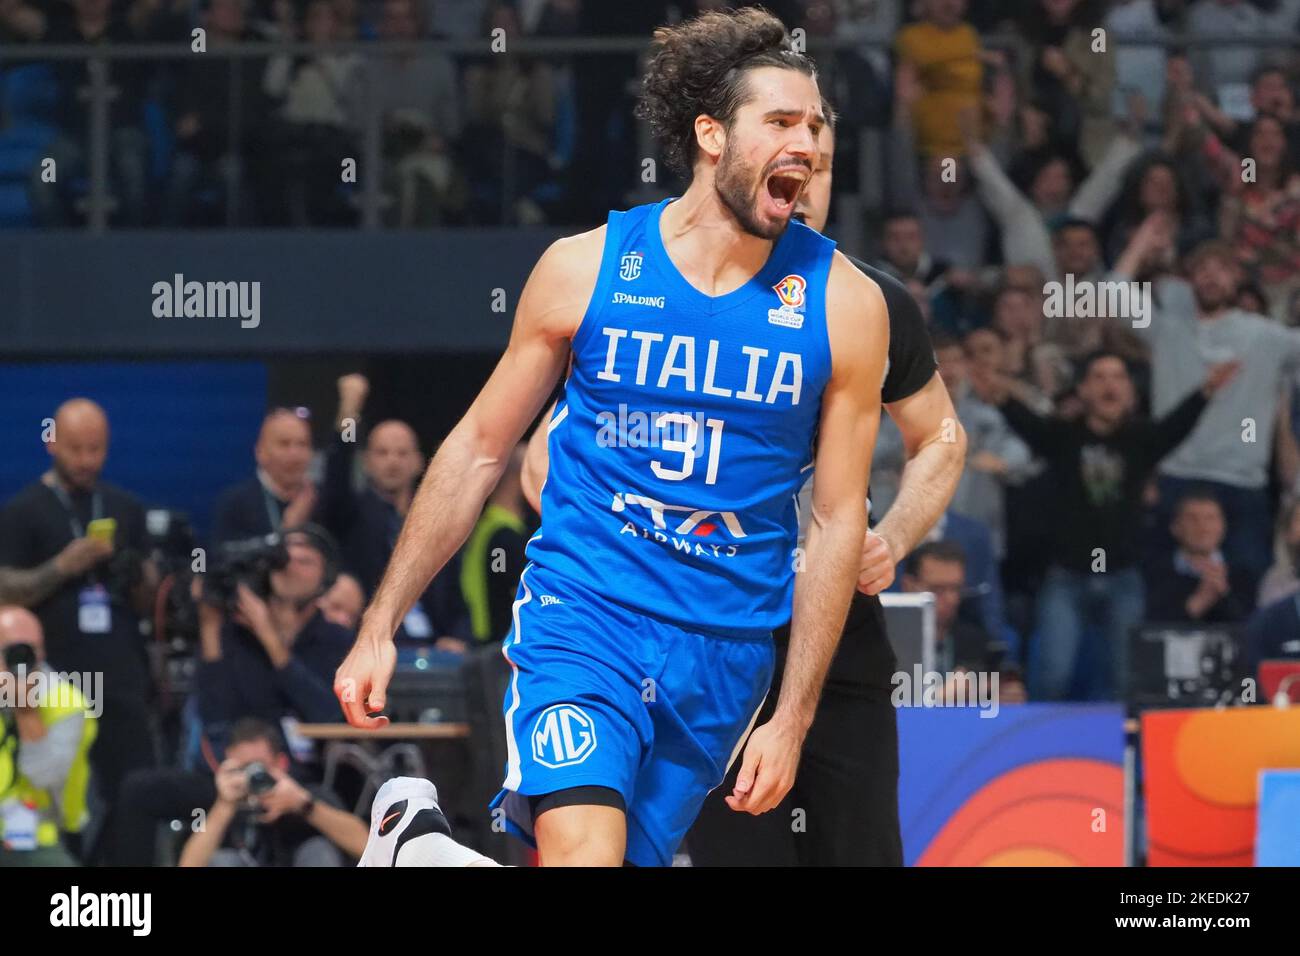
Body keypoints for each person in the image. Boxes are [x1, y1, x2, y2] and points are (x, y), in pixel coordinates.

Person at [335, 7, 890, 868]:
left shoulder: (846, 305)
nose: (808, 144)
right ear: (712, 135)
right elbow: (481, 446)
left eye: (816, 126)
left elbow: (834, 524)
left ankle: (423, 855)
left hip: (725, 650)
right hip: (586, 612)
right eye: (781, 121)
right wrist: (382, 623)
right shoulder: (585, 267)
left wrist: (793, 719)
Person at [538, 104, 965, 867]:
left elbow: (941, 436)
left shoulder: (862, 302)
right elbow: (546, 456)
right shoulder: (672, 291)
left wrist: (893, 536)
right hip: (713, 637)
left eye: (820, 166)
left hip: (837, 652)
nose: (800, 177)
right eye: (782, 151)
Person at [973, 351, 1235, 701]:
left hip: (1123, 577)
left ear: (1129, 390)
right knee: (1052, 674)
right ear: (1082, 390)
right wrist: (999, 394)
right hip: (1066, 576)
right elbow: (1026, 422)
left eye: (1118, 377)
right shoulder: (1062, 437)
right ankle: (1040, 750)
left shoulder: (1142, 439)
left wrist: (1206, 391)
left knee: (1126, 682)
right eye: (1099, 377)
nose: (1109, 385)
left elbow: (1178, 425)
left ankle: (1116, 754)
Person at [0, 398, 158, 859]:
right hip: (53, 680)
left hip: (121, 676)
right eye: (76, 449)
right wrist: (61, 567)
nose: (87, 461)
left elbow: (149, 601)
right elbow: (5, 588)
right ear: (51, 442)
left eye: (96, 449)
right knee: (57, 786)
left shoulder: (126, 507)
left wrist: (141, 577)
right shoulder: (23, 511)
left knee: (133, 787)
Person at [317, 374, 467, 645]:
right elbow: (336, 478)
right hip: (369, 643)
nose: (392, 462)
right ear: (366, 462)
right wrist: (349, 412)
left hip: (432, 650)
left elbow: (457, 598)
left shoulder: (436, 520)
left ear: (420, 462)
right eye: (382, 453)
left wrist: (458, 638)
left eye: (401, 453)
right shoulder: (353, 513)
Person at [178, 718, 366, 867]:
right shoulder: (217, 804)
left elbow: (366, 845)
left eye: (258, 767)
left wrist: (305, 806)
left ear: (281, 763)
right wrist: (224, 806)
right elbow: (188, 864)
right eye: (242, 768)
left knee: (317, 850)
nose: (251, 776)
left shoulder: (308, 794)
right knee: (223, 861)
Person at [0, 607, 98, 867]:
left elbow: (45, 776)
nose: (22, 661)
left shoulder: (65, 701)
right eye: (11, 650)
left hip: (43, 831)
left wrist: (26, 713)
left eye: (31, 649)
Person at [1145, 490, 1257, 625]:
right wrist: (1197, 603)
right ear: (1175, 528)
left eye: (1210, 518)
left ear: (1223, 527)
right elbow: (1147, 633)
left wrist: (1222, 594)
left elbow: (1250, 631)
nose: (1202, 527)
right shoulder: (1155, 572)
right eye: (1192, 519)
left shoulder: (1243, 574)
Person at [211, 407, 317, 546]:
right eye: (284, 444)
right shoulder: (234, 504)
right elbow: (224, 558)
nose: (295, 455)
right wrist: (287, 531)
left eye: (302, 444)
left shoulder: (321, 502)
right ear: (260, 452)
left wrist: (348, 416)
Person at [460, 444, 530, 647]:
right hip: (495, 649)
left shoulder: (486, 526)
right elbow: (504, 586)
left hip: (484, 645)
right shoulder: (504, 537)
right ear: (523, 477)